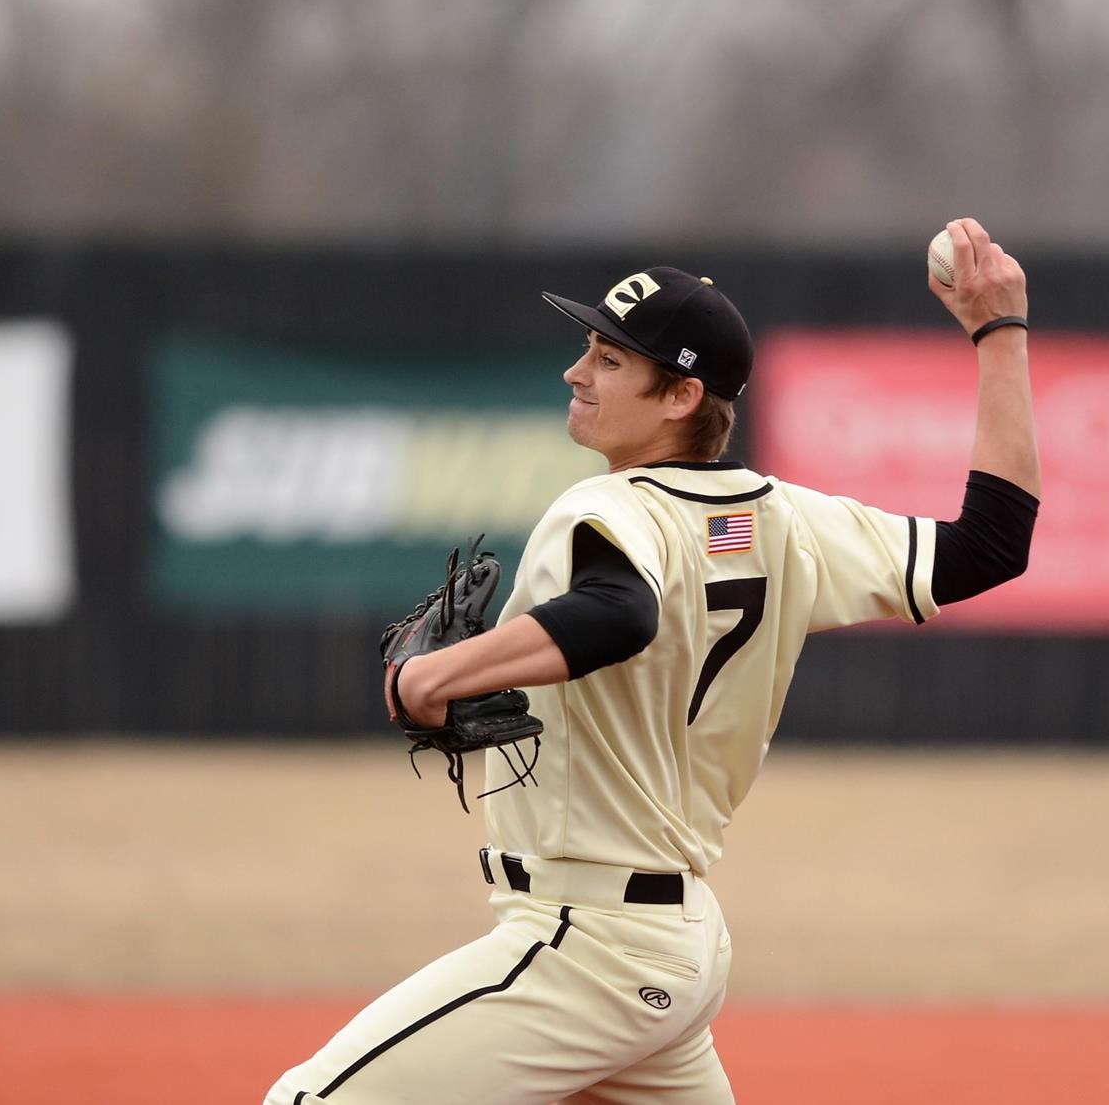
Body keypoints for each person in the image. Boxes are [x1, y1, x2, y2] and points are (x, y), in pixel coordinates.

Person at [265, 218, 1040, 1104]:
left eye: (609, 359)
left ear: (679, 397)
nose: (577, 371)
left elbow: (619, 611)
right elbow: (991, 544)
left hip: (583, 946)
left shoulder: (609, 506)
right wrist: (999, 335)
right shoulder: (786, 520)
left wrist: (435, 675)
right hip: (673, 945)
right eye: (590, 348)